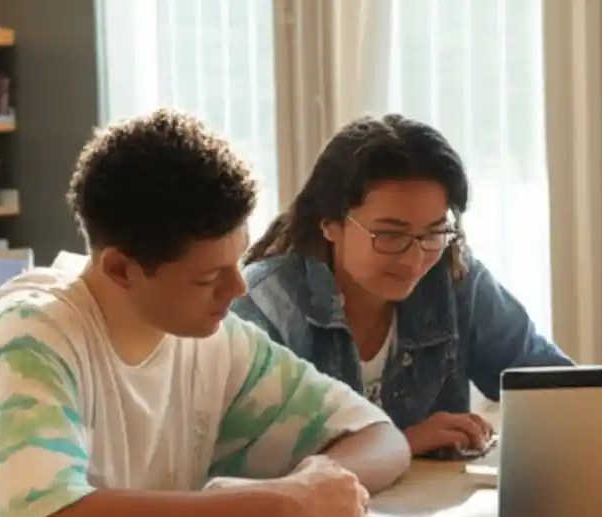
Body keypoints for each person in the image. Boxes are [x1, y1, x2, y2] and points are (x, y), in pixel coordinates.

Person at [0, 109, 411, 517]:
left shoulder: (213, 337)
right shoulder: (29, 339)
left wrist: (310, 491)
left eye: (238, 261)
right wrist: (282, 501)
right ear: (121, 269)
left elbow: (378, 438)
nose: (238, 290)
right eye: (207, 278)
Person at [232, 114, 571, 458]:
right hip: (323, 511)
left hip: (430, 507)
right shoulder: (262, 306)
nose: (414, 259)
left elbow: (560, 391)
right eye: (390, 235)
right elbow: (247, 472)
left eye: (433, 232)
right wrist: (400, 445)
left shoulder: (452, 275)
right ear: (330, 224)